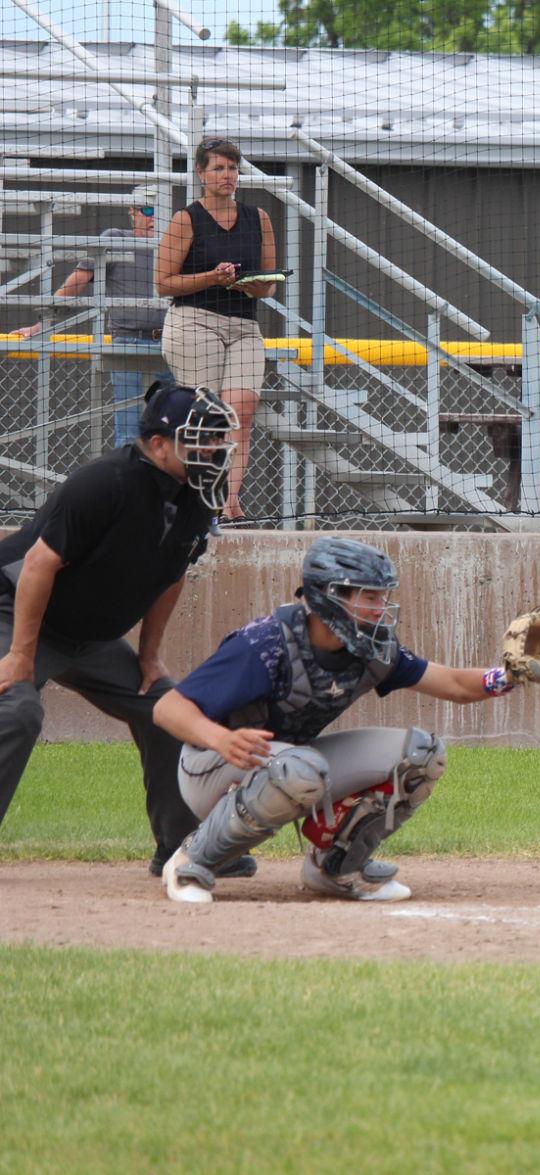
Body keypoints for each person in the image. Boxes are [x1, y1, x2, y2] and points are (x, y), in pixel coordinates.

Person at [152, 538, 540, 904]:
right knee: (299, 768)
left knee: (422, 755)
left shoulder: (372, 647)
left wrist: (508, 676)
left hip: (291, 763)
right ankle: (190, 861)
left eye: (383, 596)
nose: (380, 608)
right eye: (369, 596)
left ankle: (335, 869)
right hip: (212, 767)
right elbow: (167, 708)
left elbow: (453, 684)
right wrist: (220, 738)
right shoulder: (266, 643)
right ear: (330, 595)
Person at [0, 383, 239, 872]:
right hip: (17, 612)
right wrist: (21, 656)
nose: (212, 451)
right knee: (18, 709)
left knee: (170, 710)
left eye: (217, 440)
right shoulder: (103, 483)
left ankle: (182, 848)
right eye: (200, 440)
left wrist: (149, 655)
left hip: (89, 638)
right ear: (157, 445)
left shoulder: (195, 496)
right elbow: (39, 565)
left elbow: (172, 575)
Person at [155, 137, 279, 522]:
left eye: (233, 168)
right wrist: (212, 277)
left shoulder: (258, 218)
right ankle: (199, 499)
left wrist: (251, 284)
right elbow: (163, 283)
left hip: (243, 324)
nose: (228, 176)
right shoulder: (186, 219)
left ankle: (230, 502)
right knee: (208, 417)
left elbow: (268, 284)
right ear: (201, 174)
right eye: (219, 168)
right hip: (194, 322)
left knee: (241, 411)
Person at [11, 186, 173, 447]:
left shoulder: (174, 244)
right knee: (130, 436)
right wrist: (44, 324)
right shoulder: (115, 237)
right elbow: (77, 283)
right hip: (128, 343)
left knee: (173, 434)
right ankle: (128, 486)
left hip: (171, 345)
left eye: (161, 210)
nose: (154, 216)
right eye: (148, 209)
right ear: (133, 213)